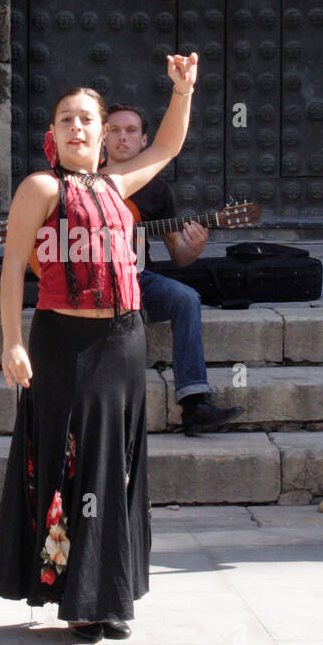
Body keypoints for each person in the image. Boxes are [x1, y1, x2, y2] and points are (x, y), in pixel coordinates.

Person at [0, 53, 198, 642]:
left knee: (117, 468)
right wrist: (11, 343)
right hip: (64, 342)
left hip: (124, 339)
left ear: (104, 134)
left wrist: (181, 91)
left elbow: (168, 148)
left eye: (86, 119)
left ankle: (110, 596)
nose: (76, 128)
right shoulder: (40, 188)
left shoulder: (117, 184)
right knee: (72, 465)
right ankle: (77, 600)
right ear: (52, 135)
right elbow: (9, 272)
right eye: (64, 120)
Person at [101, 103, 242, 435]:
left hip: (136, 278)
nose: (123, 138)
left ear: (145, 140)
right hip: (88, 283)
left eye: (131, 131)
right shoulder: (83, 179)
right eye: (115, 130)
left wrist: (194, 248)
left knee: (186, 298)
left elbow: (179, 254)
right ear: (103, 137)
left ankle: (193, 403)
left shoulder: (157, 189)